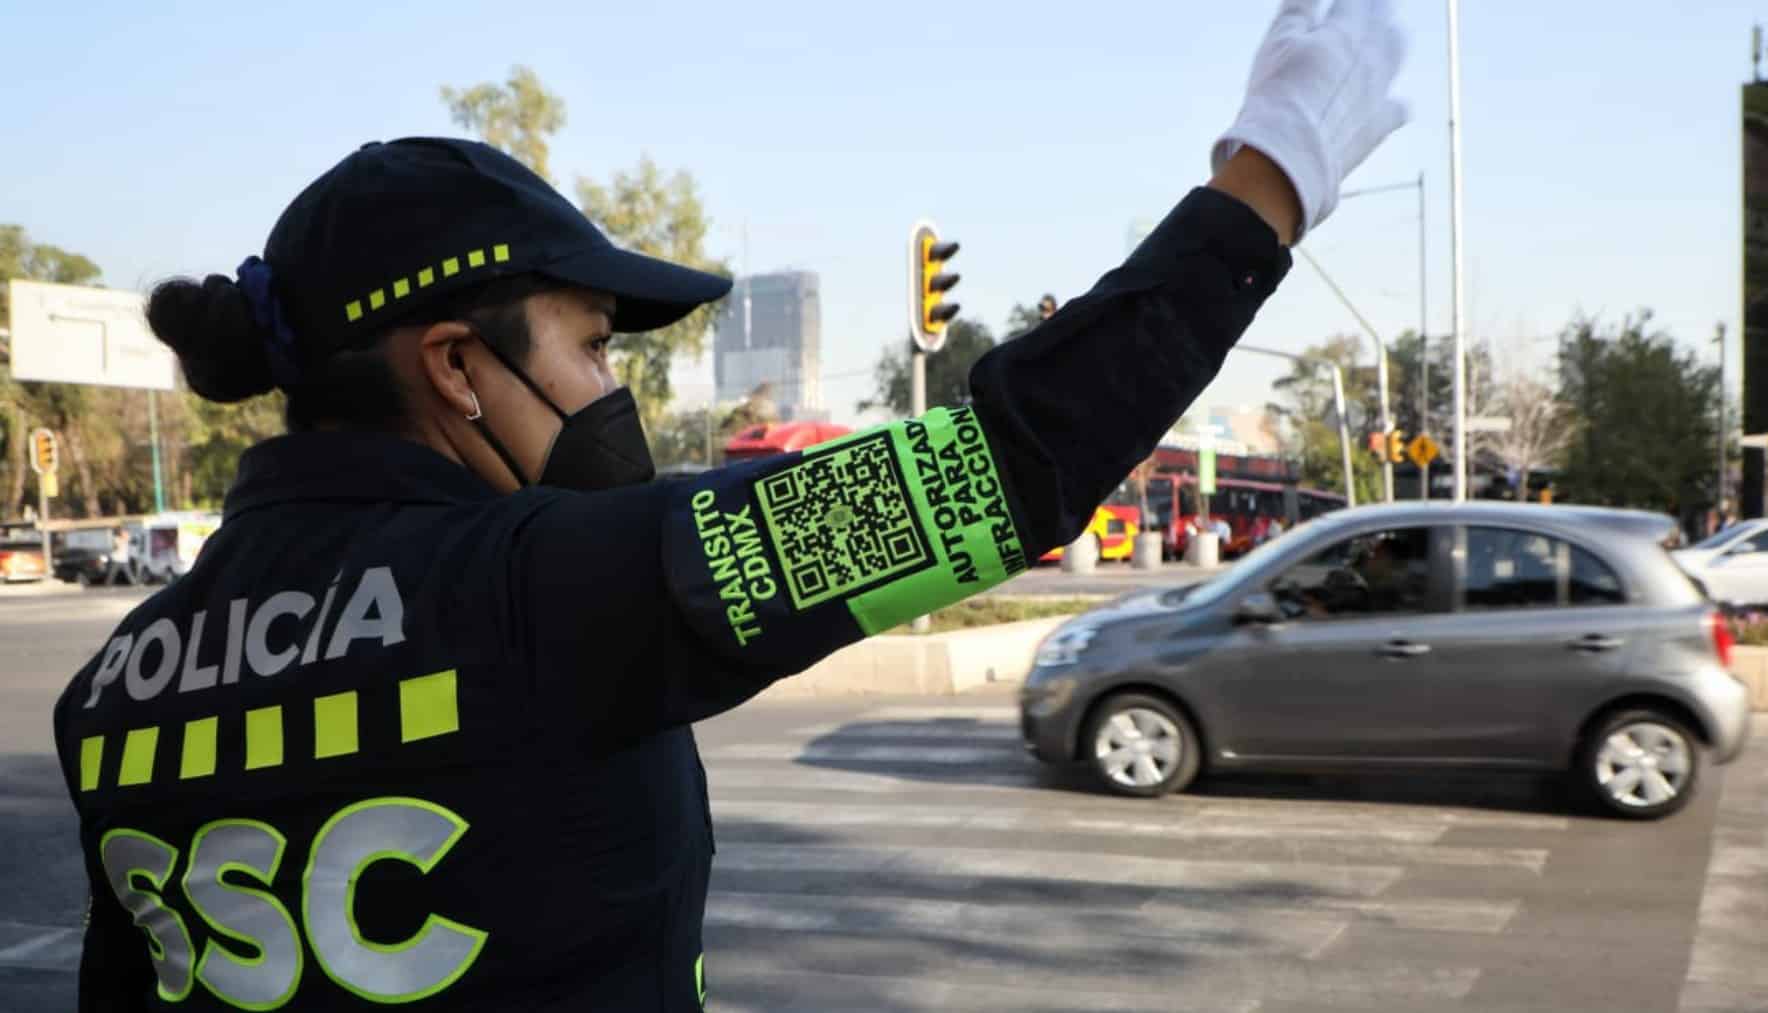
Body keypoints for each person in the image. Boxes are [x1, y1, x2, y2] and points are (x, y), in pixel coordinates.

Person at [51, 2, 1405, 1009]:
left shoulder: (110, 688)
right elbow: (994, 472)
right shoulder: (536, 592)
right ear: (458, 366)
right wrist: (1269, 178)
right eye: (590, 344)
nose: (605, 390)